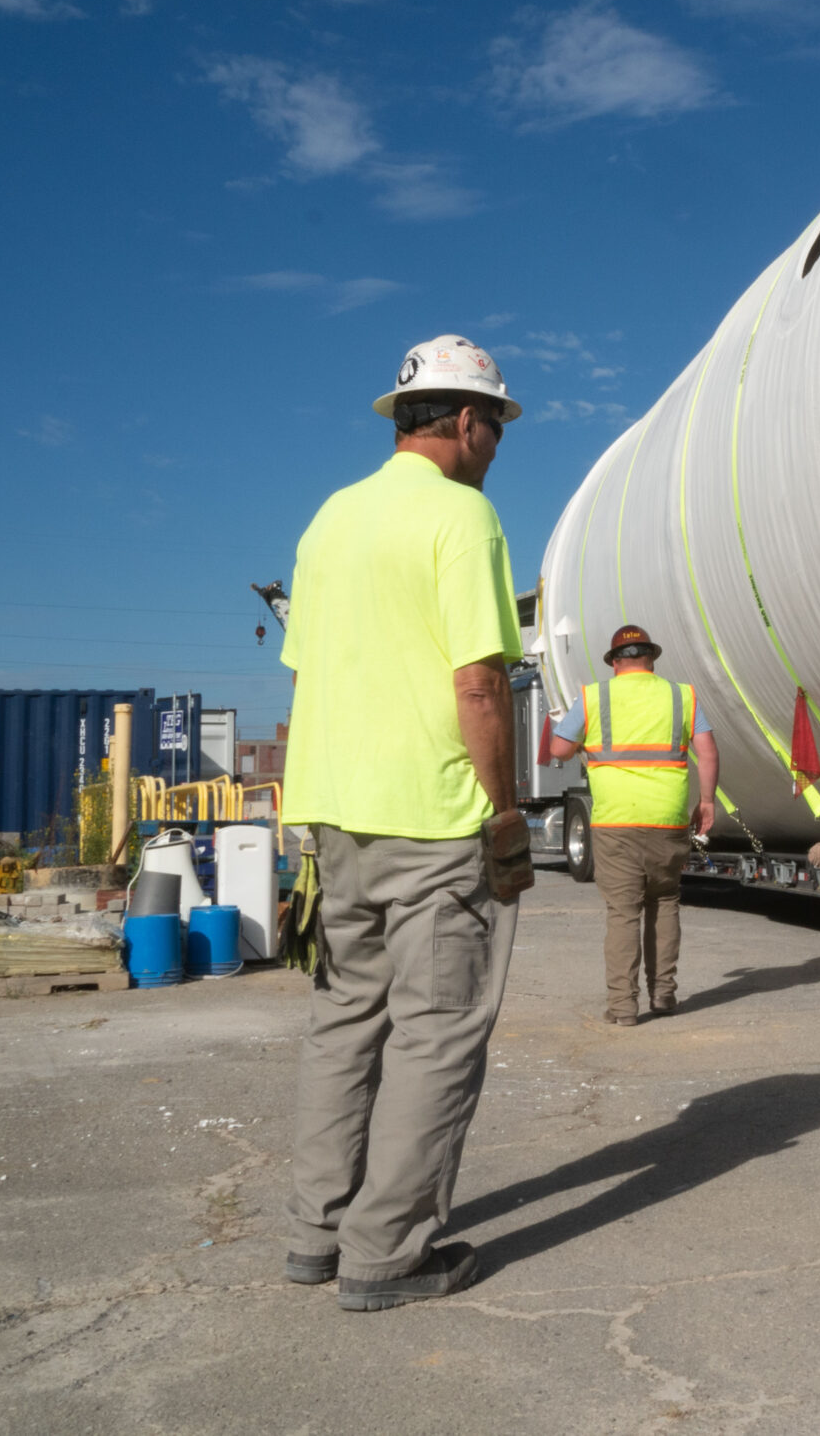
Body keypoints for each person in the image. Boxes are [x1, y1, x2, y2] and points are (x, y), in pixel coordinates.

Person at [276, 333, 526, 1312]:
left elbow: (309, 673)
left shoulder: (328, 521)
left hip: (336, 818)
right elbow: (479, 682)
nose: (496, 447)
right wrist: (504, 811)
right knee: (436, 1032)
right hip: (432, 817)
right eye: (496, 428)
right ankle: (386, 1253)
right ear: (465, 421)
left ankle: (316, 1234)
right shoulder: (463, 516)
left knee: (343, 1023)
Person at [543, 625, 719, 1025]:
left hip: (616, 821)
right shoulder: (682, 695)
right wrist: (706, 801)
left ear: (615, 663)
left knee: (623, 912)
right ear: (651, 659)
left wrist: (579, 737)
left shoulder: (593, 696)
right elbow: (707, 751)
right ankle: (664, 995)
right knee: (665, 902)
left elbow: (559, 749)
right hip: (668, 819)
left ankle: (623, 1007)